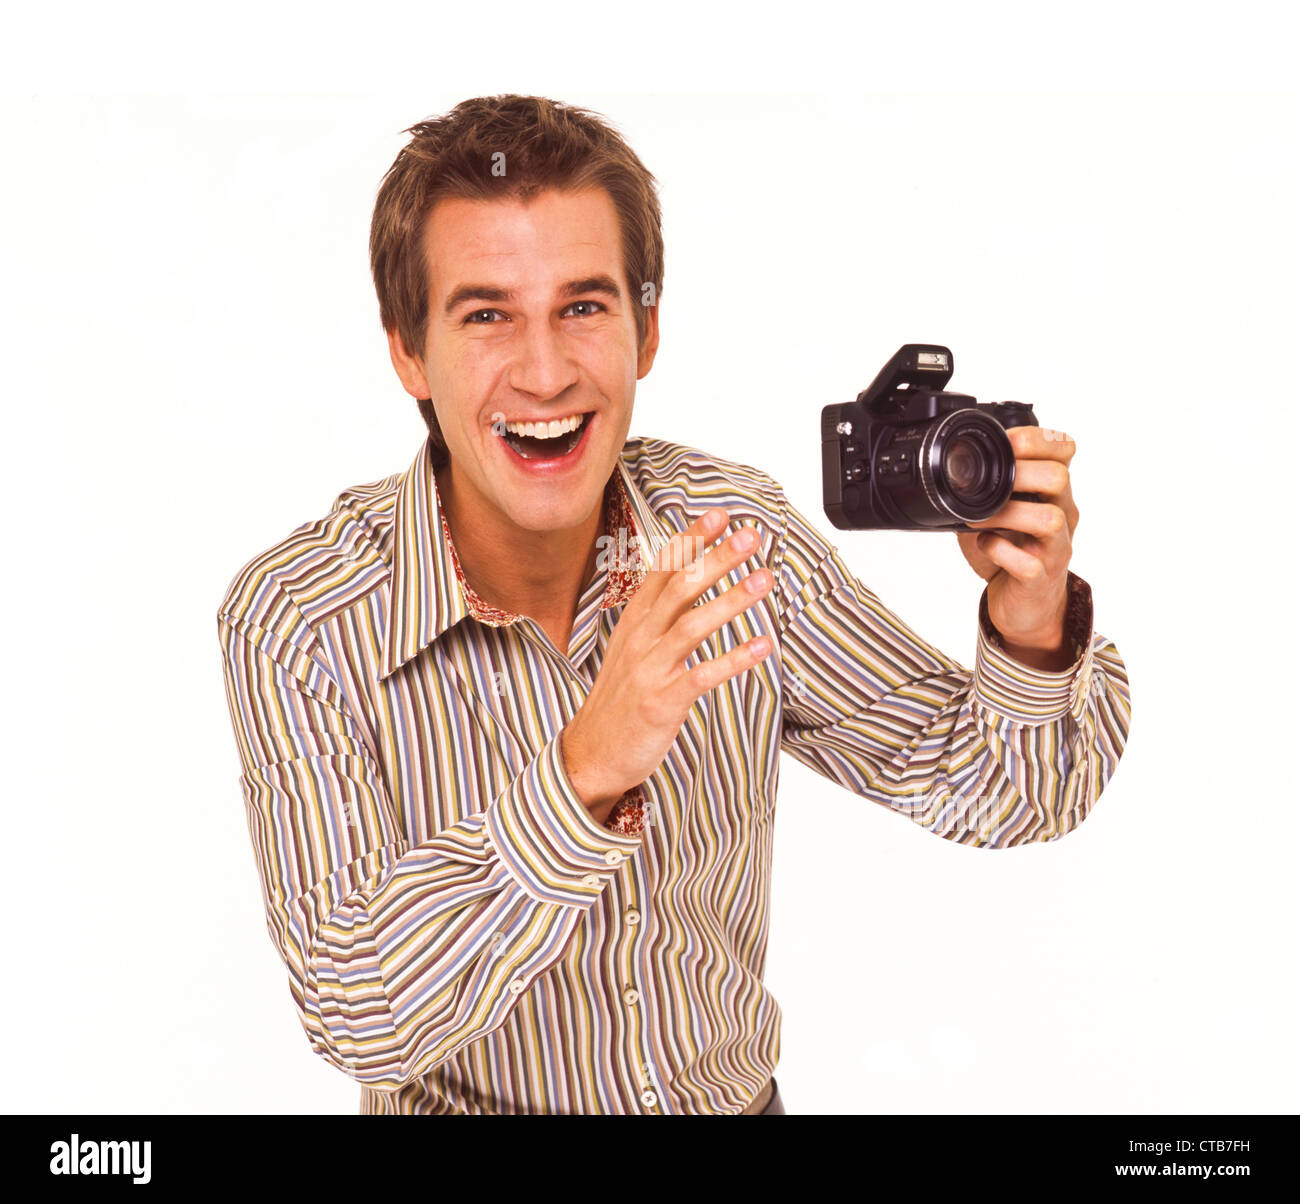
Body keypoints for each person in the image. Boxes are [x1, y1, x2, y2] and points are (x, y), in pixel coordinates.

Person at [215, 94, 1131, 1115]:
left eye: (584, 305)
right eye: (486, 315)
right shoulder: (300, 615)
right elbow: (354, 1009)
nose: (546, 369)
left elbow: (1002, 796)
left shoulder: (728, 537)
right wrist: (581, 775)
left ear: (645, 330)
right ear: (408, 351)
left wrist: (1029, 623)